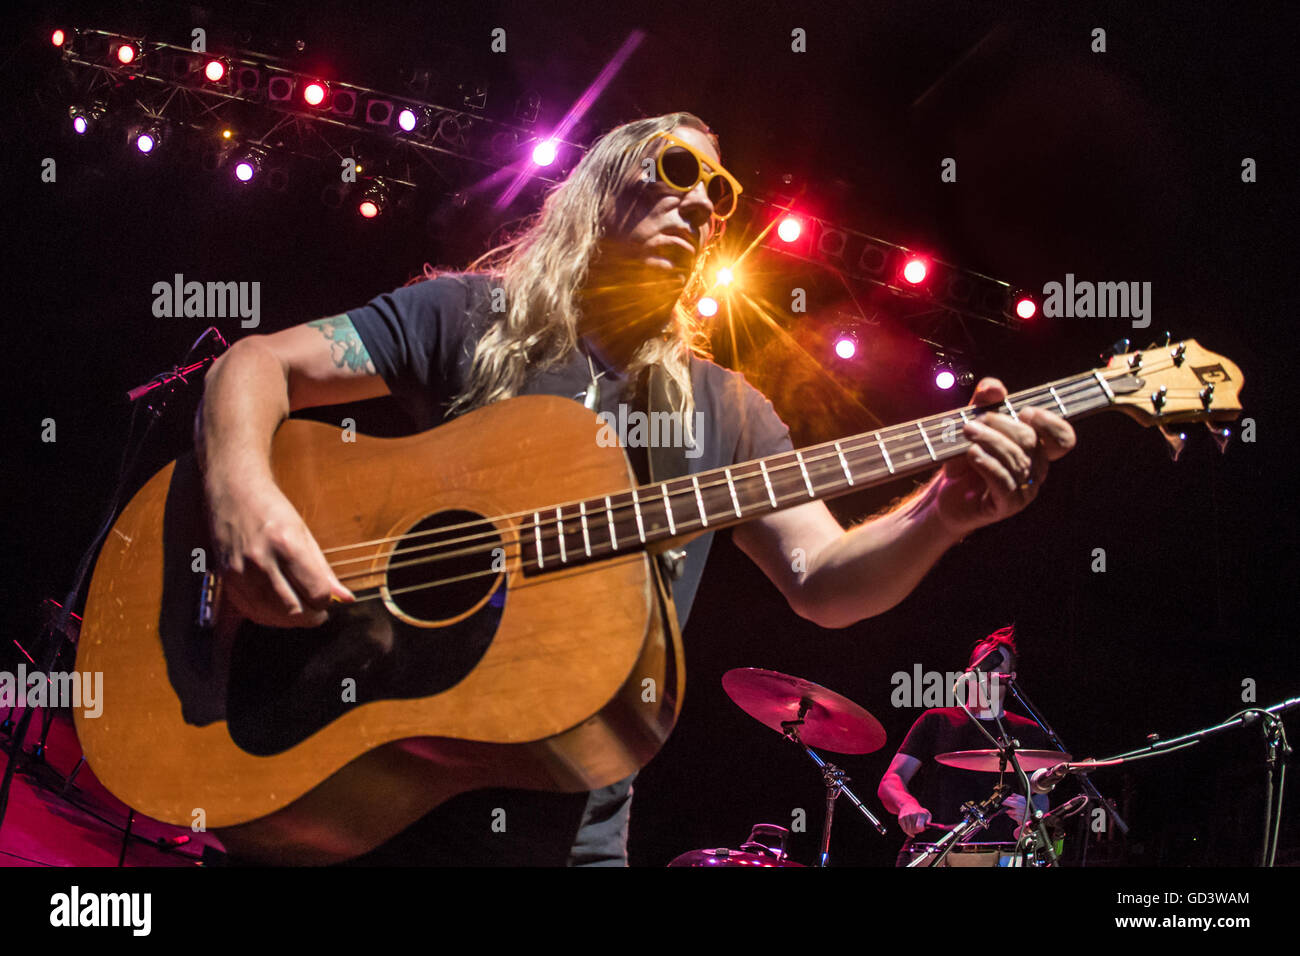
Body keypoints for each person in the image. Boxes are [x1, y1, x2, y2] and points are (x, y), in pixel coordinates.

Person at [195, 112, 1076, 865]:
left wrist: (940, 514)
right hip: (336, 768)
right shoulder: (466, 316)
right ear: (600, 188)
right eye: (681, 169)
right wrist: (243, 497)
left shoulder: (725, 410)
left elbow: (823, 582)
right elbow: (258, 364)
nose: (703, 201)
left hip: (563, 834)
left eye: (721, 193)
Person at [877, 626, 1053, 865]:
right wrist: (906, 803)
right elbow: (891, 780)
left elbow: (1040, 796)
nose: (986, 672)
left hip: (1002, 855)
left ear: (1011, 679)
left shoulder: (1028, 731)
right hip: (933, 850)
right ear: (968, 673)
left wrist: (1031, 814)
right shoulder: (936, 721)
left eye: (996, 666)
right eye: (982, 665)